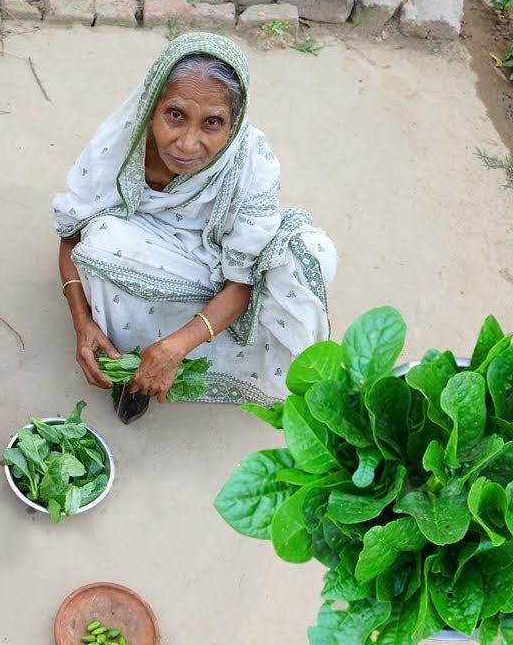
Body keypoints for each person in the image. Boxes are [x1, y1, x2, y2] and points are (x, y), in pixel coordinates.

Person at [52, 33, 336, 421]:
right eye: (175, 115)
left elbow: (243, 282)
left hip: (233, 274)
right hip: (150, 259)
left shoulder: (254, 162)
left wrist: (177, 346)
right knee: (100, 243)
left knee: (311, 255)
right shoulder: (119, 146)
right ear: (152, 105)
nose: (187, 144)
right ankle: (137, 364)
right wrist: (82, 322)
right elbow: (71, 238)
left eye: (213, 123)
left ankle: (168, 355)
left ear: (233, 125)